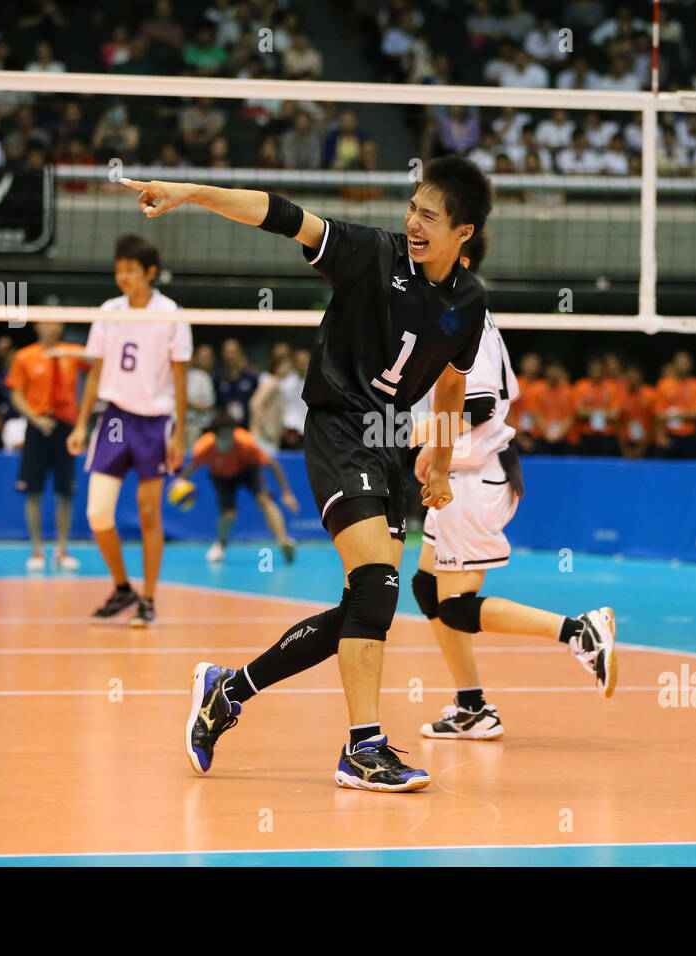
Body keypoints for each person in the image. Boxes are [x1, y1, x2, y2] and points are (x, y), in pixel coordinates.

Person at [123, 153, 491, 792]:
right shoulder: (371, 254)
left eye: (429, 216)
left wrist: (440, 456)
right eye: (412, 208)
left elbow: (454, 382)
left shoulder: (469, 302)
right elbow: (278, 212)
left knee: (363, 604)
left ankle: (226, 692)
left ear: (463, 234)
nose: (413, 222)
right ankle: (363, 749)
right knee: (377, 583)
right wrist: (188, 190)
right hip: (337, 428)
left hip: (391, 442)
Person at [411, 234, 617, 740]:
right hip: (458, 471)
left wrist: (426, 441)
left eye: (427, 238)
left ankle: (579, 631)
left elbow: (477, 404)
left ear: (458, 256)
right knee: (426, 587)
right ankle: (473, 707)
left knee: (456, 606)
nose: (413, 248)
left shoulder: (463, 314)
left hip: (469, 475)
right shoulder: (448, 310)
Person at [67, 235, 191, 628]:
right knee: (97, 513)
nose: (122, 276)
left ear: (150, 272)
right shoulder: (109, 311)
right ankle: (123, 588)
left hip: (154, 423)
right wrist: (82, 423)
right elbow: (96, 370)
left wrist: (179, 433)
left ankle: (149, 598)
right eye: (118, 269)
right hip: (115, 419)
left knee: (148, 512)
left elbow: (180, 377)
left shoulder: (171, 313)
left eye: (130, 271)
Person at [7, 321, 86, 573]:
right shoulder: (25, 356)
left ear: (61, 326)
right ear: (37, 326)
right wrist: (36, 419)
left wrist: (70, 353)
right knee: (34, 492)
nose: (51, 327)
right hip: (37, 427)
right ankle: (37, 550)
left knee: (65, 492)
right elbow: (16, 394)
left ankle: (61, 550)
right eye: (46, 323)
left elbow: (100, 359)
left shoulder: (70, 352)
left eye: (55, 323)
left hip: (66, 429)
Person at [172, 412, 299, 564]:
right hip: (222, 477)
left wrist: (287, 493)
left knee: (264, 499)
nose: (228, 438)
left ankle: (283, 540)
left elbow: (273, 464)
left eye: (230, 433)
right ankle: (220, 544)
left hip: (248, 470)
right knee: (228, 515)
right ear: (214, 435)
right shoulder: (204, 447)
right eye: (223, 434)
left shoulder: (246, 442)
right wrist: (179, 481)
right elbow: (192, 467)